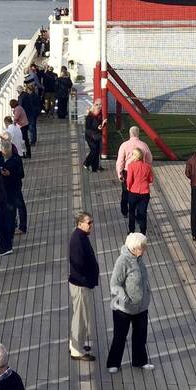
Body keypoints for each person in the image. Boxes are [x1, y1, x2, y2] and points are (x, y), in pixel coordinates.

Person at [106, 232, 152, 373]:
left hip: (141, 307)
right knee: (120, 336)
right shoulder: (123, 261)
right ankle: (113, 363)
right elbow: (114, 284)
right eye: (142, 247)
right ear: (134, 248)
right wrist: (124, 297)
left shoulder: (139, 259)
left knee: (140, 336)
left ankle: (140, 361)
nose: (144, 250)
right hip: (124, 309)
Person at [68, 211, 98, 361]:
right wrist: (87, 280)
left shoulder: (80, 236)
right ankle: (76, 350)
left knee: (79, 316)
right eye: (89, 222)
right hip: (80, 284)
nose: (91, 225)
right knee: (80, 317)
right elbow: (79, 264)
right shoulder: (78, 239)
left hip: (80, 283)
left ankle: (75, 344)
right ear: (80, 224)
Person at [116, 125, 153, 218]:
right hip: (140, 171)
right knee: (137, 193)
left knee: (125, 192)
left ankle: (125, 211)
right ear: (138, 134)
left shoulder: (124, 145)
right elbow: (149, 159)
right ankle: (137, 213)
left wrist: (119, 173)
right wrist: (146, 168)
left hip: (127, 171)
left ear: (130, 134)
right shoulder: (144, 145)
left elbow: (120, 161)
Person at [0, 138, 27, 235]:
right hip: (8, 187)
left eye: (4, 151)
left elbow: (21, 174)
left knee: (18, 206)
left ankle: (22, 227)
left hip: (14, 186)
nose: (4, 153)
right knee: (13, 207)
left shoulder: (15, 159)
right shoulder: (6, 158)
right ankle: (14, 225)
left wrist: (9, 174)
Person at [124, 148, 152, 235]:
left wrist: (128, 187)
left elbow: (129, 180)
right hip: (145, 192)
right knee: (143, 213)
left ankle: (131, 230)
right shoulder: (147, 166)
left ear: (135, 156)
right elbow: (151, 179)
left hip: (133, 192)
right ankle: (143, 232)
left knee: (132, 212)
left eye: (133, 154)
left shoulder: (131, 166)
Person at [82, 104, 103, 171]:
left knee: (97, 151)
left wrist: (101, 125)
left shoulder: (98, 116)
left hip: (96, 136)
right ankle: (86, 163)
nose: (99, 111)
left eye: (100, 109)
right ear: (94, 110)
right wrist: (98, 128)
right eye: (98, 109)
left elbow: (98, 126)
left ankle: (95, 167)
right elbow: (88, 128)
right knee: (94, 150)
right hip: (90, 137)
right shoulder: (89, 117)